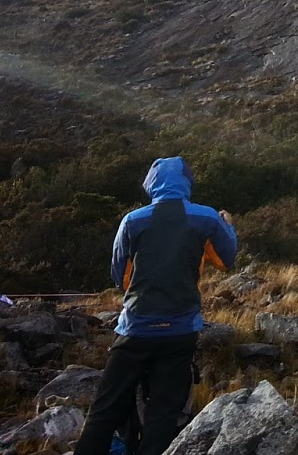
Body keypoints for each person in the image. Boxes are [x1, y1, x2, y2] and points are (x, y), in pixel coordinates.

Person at [73, 157, 237, 455]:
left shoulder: (133, 221)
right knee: (163, 413)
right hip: (181, 329)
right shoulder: (208, 218)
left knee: (105, 407)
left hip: (136, 327)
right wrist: (229, 227)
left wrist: (139, 296)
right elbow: (225, 261)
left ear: (151, 184)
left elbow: (119, 274)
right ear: (187, 183)